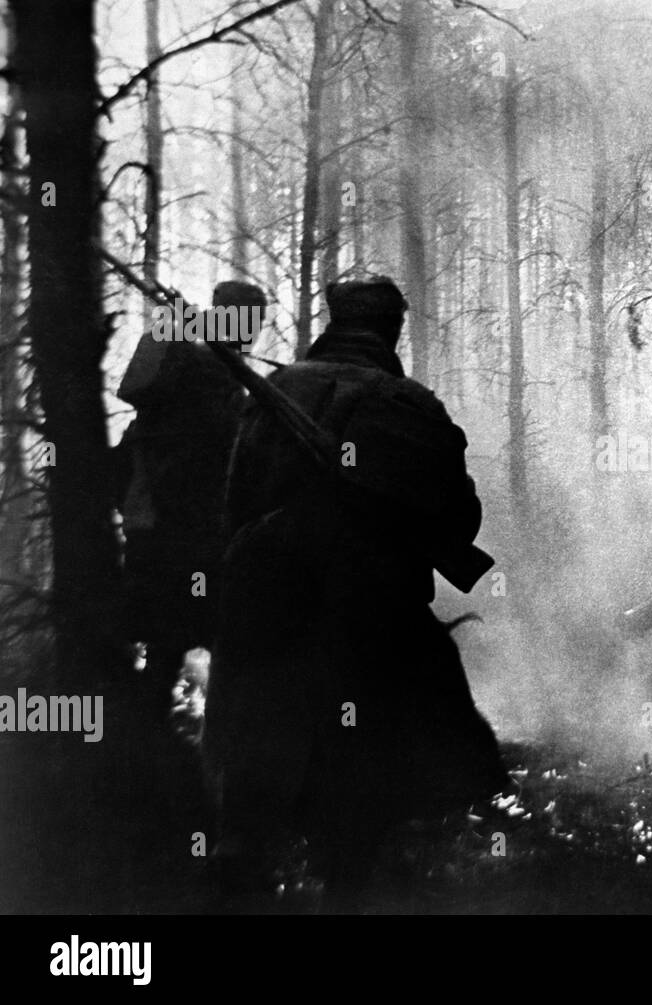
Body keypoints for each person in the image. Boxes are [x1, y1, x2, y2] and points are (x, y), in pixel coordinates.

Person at [204, 276, 507, 900]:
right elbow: (457, 517)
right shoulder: (413, 404)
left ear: (334, 320)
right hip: (368, 601)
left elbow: (236, 499)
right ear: (391, 328)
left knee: (255, 750)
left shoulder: (279, 388)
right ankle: (349, 876)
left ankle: (238, 869)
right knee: (365, 758)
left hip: (266, 595)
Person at [115, 281, 267, 723]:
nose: (253, 333)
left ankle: (164, 750)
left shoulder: (212, 367)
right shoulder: (196, 364)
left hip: (178, 533)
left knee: (176, 646)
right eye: (248, 321)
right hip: (182, 534)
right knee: (183, 643)